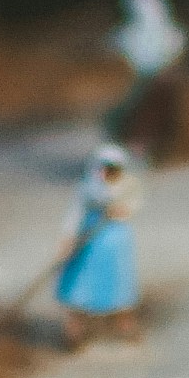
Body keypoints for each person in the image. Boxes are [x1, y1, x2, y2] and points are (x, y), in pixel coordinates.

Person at [38, 142, 147, 345]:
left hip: (116, 240)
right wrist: (67, 238)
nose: (107, 172)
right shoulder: (87, 187)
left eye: (112, 168)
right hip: (89, 240)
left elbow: (134, 202)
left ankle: (125, 325)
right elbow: (74, 212)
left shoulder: (127, 185)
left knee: (117, 282)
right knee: (81, 281)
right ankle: (75, 330)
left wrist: (122, 211)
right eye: (104, 167)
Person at [108, 0, 189, 158]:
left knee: (157, 95)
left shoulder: (173, 36)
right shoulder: (124, 37)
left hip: (153, 85)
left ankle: (143, 145)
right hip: (133, 88)